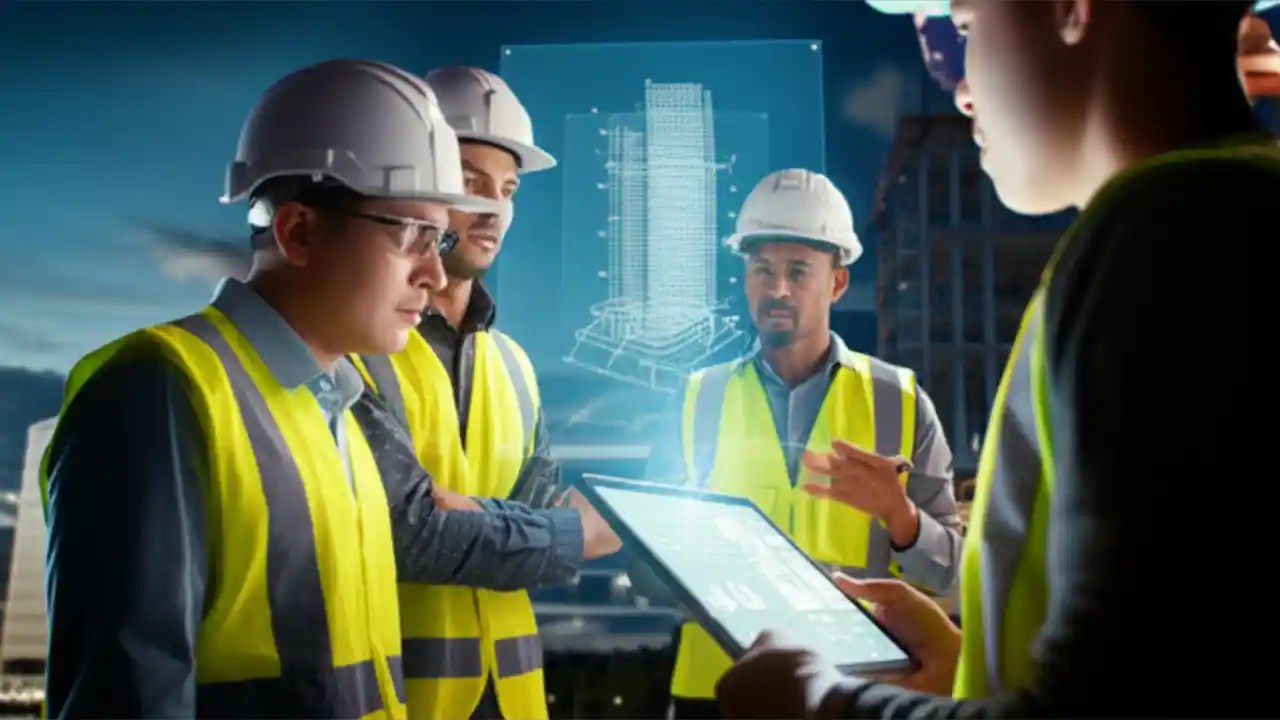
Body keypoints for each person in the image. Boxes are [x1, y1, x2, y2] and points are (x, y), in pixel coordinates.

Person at [714, 1, 1278, 716]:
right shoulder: (1212, 211)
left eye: (969, 29)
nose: (961, 87)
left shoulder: (1174, 231)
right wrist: (964, 665)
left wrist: (821, 704)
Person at [38, 58, 607, 719]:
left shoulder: (328, 401)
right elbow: (125, 695)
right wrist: (564, 533)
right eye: (410, 237)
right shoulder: (159, 389)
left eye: (439, 238)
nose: (432, 272)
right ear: (299, 231)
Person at [640, 168, 963, 719]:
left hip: (855, 690)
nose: (777, 289)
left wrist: (901, 517)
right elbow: (644, 567)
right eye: (762, 269)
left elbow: (953, 577)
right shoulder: (698, 399)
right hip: (719, 690)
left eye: (798, 272)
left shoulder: (900, 401)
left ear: (837, 282)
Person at [351, 65, 621, 720]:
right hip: (404, 697)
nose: (495, 208)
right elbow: (408, 534)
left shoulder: (516, 367)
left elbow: (535, 523)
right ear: (418, 184)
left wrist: (476, 519)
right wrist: (558, 534)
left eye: (508, 189)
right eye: (470, 184)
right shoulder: (356, 345)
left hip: (515, 695)